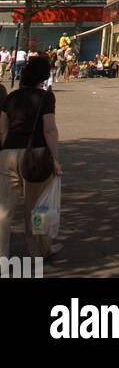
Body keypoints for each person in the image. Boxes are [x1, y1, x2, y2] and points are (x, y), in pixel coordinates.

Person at [0, 54, 62, 262]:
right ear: (44, 75)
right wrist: (54, 158)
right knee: (37, 207)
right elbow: (49, 130)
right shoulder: (46, 97)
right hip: (36, 155)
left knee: (3, 210)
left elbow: (2, 130)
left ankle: (1, 255)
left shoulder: (11, 97)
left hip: (8, 155)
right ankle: (39, 251)